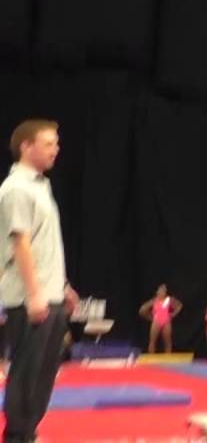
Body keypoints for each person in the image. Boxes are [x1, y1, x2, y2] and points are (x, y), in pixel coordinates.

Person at [1, 119, 80, 443]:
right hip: (29, 299)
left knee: (45, 375)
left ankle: (29, 432)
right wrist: (35, 295)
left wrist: (62, 288)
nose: (56, 149)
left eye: (56, 143)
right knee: (27, 374)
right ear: (26, 146)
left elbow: (45, 245)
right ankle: (17, 436)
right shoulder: (15, 189)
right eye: (49, 143)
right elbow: (20, 244)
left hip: (50, 295)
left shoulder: (40, 186)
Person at [139, 284, 181, 354]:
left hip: (166, 322)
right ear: (157, 292)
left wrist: (173, 314)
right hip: (156, 322)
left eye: (164, 290)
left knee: (168, 342)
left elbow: (179, 306)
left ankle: (168, 359)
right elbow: (142, 310)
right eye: (161, 290)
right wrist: (150, 317)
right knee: (152, 341)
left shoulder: (169, 299)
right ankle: (151, 358)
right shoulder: (154, 300)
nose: (162, 291)